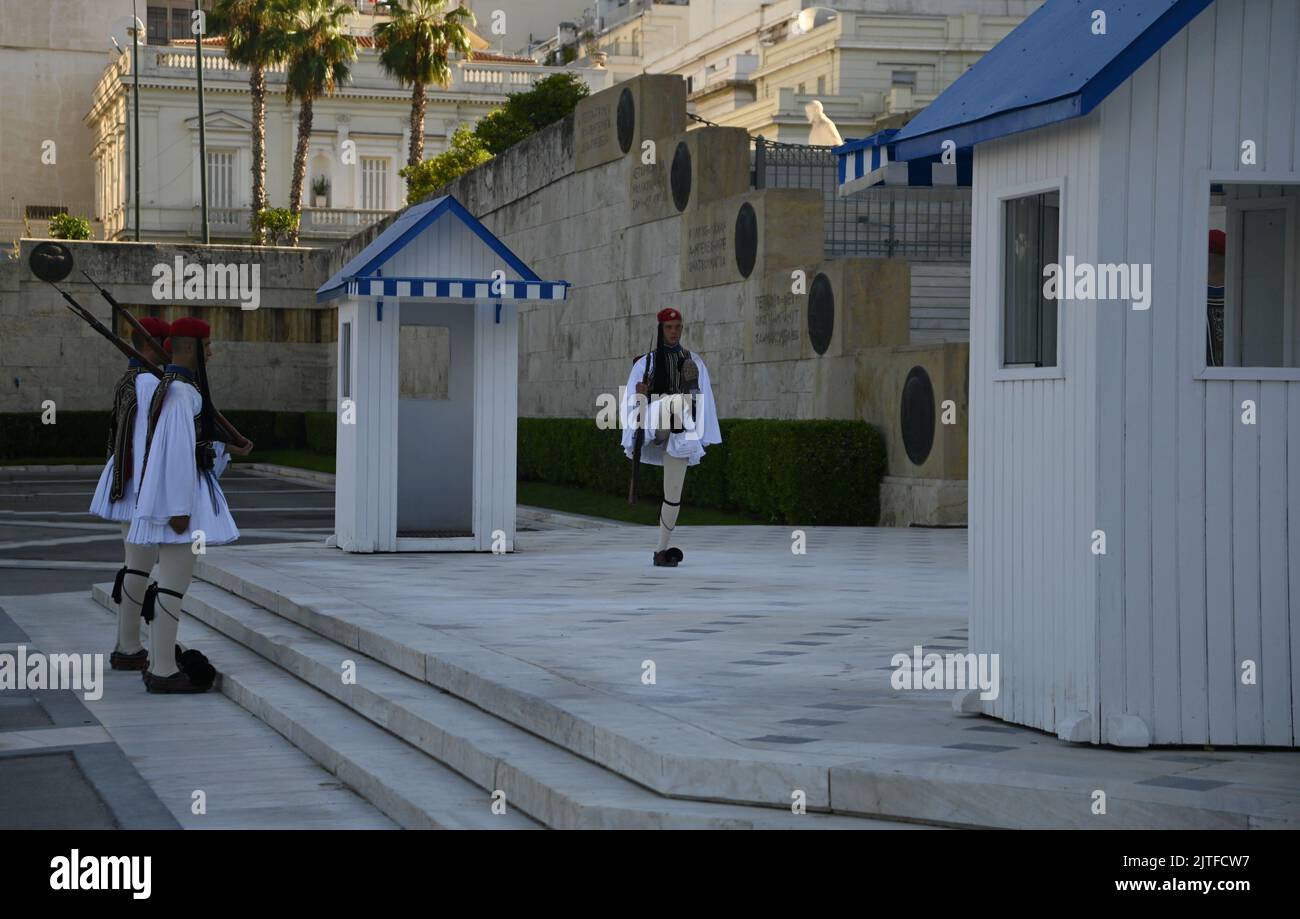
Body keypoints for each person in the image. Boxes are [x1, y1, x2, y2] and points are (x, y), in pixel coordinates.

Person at [128, 317, 247, 692]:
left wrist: (224, 447)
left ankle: (158, 661)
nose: (211, 353)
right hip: (179, 508)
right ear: (192, 347)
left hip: (177, 503)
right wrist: (179, 511)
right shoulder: (180, 394)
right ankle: (162, 670)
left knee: (170, 584)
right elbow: (177, 456)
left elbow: (190, 449)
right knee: (173, 587)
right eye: (207, 346)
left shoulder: (176, 389)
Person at [89, 316, 170, 671]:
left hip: (124, 482)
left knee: (134, 563)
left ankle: (127, 642)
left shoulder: (129, 379)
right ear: (150, 345)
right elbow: (146, 442)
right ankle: (128, 646)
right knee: (139, 565)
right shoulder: (151, 382)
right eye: (163, 342)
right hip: (138, 485)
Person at [621, 307, 722, 567]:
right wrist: (641, 394)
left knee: (673, 494)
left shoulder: (694, 362)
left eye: (677, 327)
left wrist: (699, 435)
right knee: (674, 402)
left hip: (681, 430)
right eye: (669, 327)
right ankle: (666, 423)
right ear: (660, 329)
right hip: (655, 419)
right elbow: (630, 406)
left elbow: (705, 404)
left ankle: (661, 551)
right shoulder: (646, 364)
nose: (674, 332)